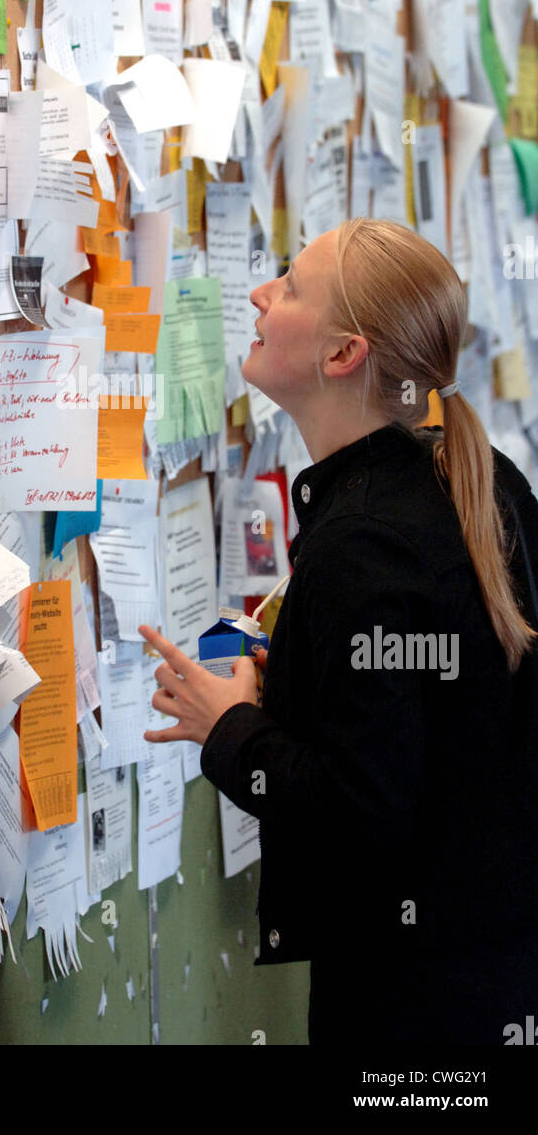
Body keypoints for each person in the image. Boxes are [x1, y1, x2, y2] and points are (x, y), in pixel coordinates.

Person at [139, 218, 538, 1045]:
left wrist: (230, 730)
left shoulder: (362, 541)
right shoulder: (475, 481)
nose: (258, 293)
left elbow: (361, 814)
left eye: (287, 286)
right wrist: (287, 690)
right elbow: (445, 726)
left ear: (343, 355)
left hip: (416, 1008)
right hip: (497, 970)